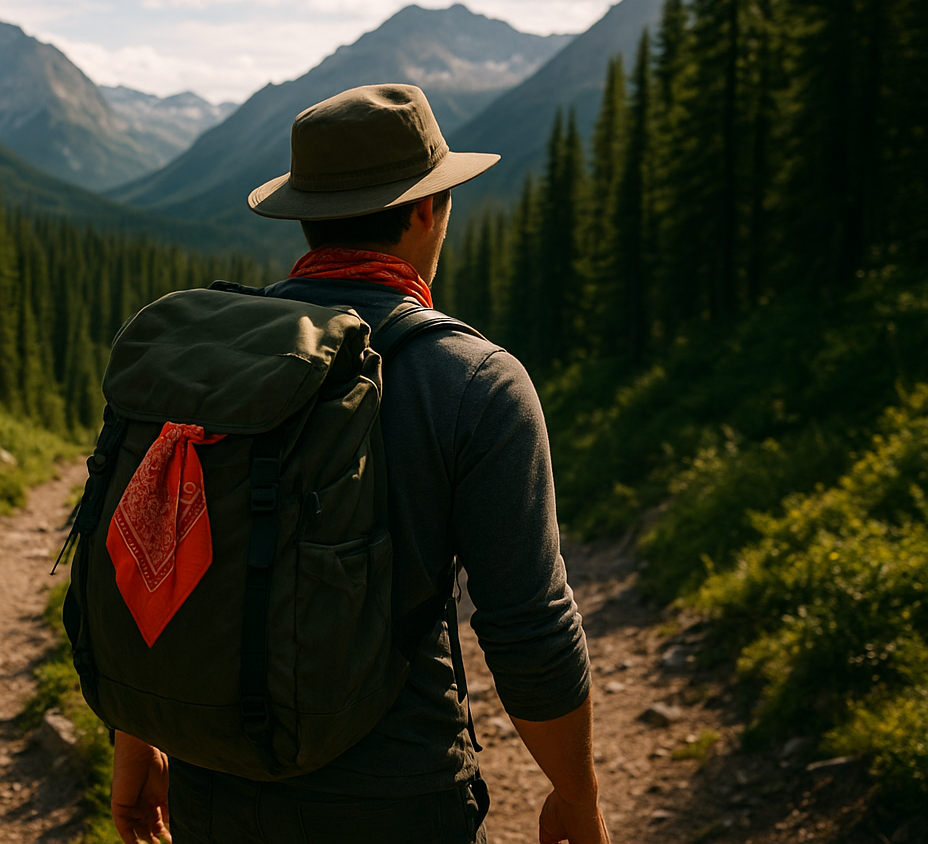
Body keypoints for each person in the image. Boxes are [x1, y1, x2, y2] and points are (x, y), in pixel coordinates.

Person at [108, 84, 610, 844]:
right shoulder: (474, 381)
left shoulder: (218, 360)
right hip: (400, 802)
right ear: (423, 210)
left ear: (306, 215)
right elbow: (529, 628)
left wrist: (137, 738)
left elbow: (157, 565)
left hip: (218, 789)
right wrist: (576, 795)